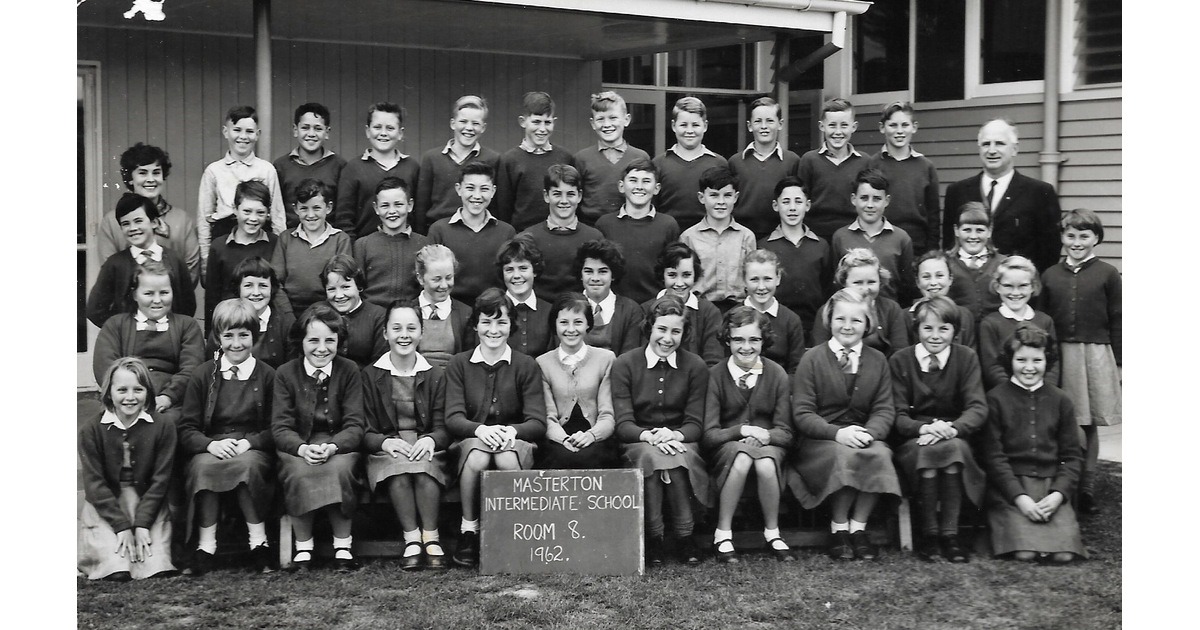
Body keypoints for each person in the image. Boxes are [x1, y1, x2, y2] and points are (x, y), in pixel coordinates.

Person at [787, 289, 901, 561]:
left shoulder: (878, 360)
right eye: (840, 319)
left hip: (864, 436)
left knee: (880, 453)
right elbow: (803, 413)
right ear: (829, 320)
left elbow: (884, 408)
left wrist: (868, 434)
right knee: (844, 453)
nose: (847, 327)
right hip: (820, 441)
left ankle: (858, 528)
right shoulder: (812, 358)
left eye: (856, 320)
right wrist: (838, 433)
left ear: (868, 324)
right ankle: (838, 528)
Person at [444, 288, 547, 567]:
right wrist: (480, 430)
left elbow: (537, 421)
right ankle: (469, 529)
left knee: (503, 457)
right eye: (487, 322)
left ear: (511, 326)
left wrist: (511, 432)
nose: (494, 330)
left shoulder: (525, 365)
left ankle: (515, 531)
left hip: (514, 441)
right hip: (471, 440)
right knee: (478, 456)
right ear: (475, 325)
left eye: (501, 322)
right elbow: (453, 417)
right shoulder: (459, 364)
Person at [177, 299, 276, 575]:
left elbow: (276, 427)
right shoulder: (203, 374)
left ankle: (259, 544)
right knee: (205, 467)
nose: (236, 343)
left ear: (254, 337)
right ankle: (205, 547)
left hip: (252, 448)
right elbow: (187, 429)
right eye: (228, 335)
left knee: (245, 466)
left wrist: (249, 443)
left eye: (243, 335)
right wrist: (210, 444)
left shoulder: (268, 375)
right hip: (213, 447)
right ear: (218, 338)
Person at [612, 295, 710, 566]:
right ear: (649, 329)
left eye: (675, 331)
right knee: (652, 457)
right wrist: (650, 436)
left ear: (684, 333)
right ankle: (653, 538)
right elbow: (623, 424)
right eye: (661, 329)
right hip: (638, 440)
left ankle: (684, 537)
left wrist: (675, 435)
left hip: (680, 441)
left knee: (676, 457)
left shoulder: (695, 366)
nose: (667, 338)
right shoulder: (625, 364)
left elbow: (695, 425)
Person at [889, 296, 988, 563]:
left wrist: (953, 429)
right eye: (927, 328)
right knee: (929, 460)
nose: (935, 336)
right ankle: (930, 535)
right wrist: (924, 429)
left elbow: (977, 408)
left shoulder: (966, 358)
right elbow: (896, 415)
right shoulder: (900, 361)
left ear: (955, 331)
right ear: (916, 329)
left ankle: (950, 535)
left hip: (954, 435)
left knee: (953, 452)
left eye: (943, 329)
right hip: (915, 438)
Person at [981, 323, 1086, 563]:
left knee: (1063, 556)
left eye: (1037, 360)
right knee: (1025, 553)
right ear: (1010, 360)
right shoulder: (995, 399)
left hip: (1050, 485)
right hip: (1011, 487)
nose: (1029, 368)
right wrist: (1020, 498)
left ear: (1047, 361)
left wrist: (1058, 494)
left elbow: (1071, 457)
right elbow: (993, 457)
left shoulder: (1061, 400)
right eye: (1021, 360)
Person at [1039, 209, 1121, 515]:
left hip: (1094, 355)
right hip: (1060, 355)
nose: (1076, 242)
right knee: (1063, 421)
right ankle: (1061, 482)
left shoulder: (1108, 274)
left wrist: (1120, 358)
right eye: (1070, 235)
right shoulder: (1049, 275)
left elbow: (1117, 317)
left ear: (1096, 238)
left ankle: (1086, 487)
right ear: (1062, 238)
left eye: (1084, 236)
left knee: (1087, 424)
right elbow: (1042, 321)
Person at [272, 303, 366, 571]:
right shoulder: (285, 373)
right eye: (313, 340)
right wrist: (301, 449)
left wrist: (334, 446)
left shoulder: (349, 371)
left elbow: (355, 425)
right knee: (298, 470)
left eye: (330, 340)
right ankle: (304, 547)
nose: (321, 348)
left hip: (339, 444)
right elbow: (280, 428)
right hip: (298, 445)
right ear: (300, 341)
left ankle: (342, 546)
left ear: (339, 342)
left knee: (340, 469)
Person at [362, 300, 451, 571]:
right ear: (385, 333)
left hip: (426, 444)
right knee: (399, 471)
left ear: (422, 333)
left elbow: (444, 425)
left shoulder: (435, 375)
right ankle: (412, 538)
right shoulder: (370, 375)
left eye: (411, 328)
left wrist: (431, 439)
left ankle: (431, 538)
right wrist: (385, 442)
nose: (404, 335)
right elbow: (364, 428)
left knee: (425, 469)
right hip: (387, 447)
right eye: (397, 328)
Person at [702, 307, 794, 563]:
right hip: (728, 447)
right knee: (742, 457)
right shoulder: (715, 376)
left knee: (764, 462)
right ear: (727, 340)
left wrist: (764, 436)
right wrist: (741, 430)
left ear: (764, 341)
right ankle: (723, 534)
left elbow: (785, 433)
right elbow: (709, 435)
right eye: (738, 339)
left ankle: (773, 533)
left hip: (768, 445)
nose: (746, 347)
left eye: (754, 339)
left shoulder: (776, 374)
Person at [78, 357, 177, 581]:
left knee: (155, 565)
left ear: (148, 392)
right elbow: (95, 485)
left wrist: (142, 524)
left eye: (138, 389)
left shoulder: (163, 426)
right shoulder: (91, 429)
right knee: (116, 568)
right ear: (109, 391)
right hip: (107, 505)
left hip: (146, 503)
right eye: (122, 389)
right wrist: (122, 526)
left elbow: (160, 480)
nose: (130, 397)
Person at [941, 119, 1063, 272]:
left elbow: (1050, 251)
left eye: (999, 143)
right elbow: (949, 244)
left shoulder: (1040, 193)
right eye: (986, 144)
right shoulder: (957, 191)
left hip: (1018, 290)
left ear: (1015, 149)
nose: (992, 150)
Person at [93, 261, 205, 425]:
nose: (157, 300)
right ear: (135, 294)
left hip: (172, 403)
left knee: (168, 424)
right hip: (125, 400)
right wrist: (130, 397)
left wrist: (168, 397)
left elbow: (192, 368)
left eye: (164, 292)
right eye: (149, 293)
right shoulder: (116, 325)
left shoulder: (187, 326)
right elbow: (105, 366)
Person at [196, 105, 286, 275]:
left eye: (250, 131)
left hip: (258, 239)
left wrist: (280, 254)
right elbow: (204, 218)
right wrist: (206, 257)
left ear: (258, 134)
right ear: (225, 131)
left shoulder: (266, 170)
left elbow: (277, 215)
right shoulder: (214, 171)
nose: (243, 137)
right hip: (225, 239)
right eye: (237, 130)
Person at [535, 293, 619, 469]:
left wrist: (591, 436)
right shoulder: (542, 363)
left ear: (588, 324)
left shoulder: (606, 359)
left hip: (597, 439)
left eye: (578, 322)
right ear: (554, 324)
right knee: (560, 459)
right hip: (558, 440)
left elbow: (607, 414)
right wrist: (563, 438)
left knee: (593, 458)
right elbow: (547, 417)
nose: (571, 329)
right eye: (564, 322)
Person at [87, 193, 197, 327]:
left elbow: (188, 305)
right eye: (125, 224)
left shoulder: (175, 259)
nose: (133, 228)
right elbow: (94, 310)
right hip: (129, 344)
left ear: (154, 222)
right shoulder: (115, 264)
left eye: (138, 221)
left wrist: (176, 331)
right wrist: (120, 331)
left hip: (169, 341)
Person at [97, 143, 200, 285]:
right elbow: (109, 271)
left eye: (156, 172)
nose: (151, 179)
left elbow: (191, 269)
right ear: (130, 178)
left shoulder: (182, 220)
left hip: (170, 303)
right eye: (142, 173)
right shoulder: (111, 221)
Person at [427, 160, 517, 305]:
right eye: (470, 188)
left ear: (493, 191)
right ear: (458, 189)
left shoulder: (506, 232)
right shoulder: (439, 230)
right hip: (451, 309)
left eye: (484, 189)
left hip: (493, 309)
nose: (477, 196)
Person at [595, 159, 682, 304]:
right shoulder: (604, 224)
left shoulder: (668, 225)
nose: (639, 187)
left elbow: (672, 269)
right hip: (615, 306)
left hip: (656, 304)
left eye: (646, 181)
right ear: (621, 186)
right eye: (633, 180)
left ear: (657, 188)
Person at [758, 176, 834, 340]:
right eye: (786, 202)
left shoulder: (821, 246)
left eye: (798, 202)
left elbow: (828, 289)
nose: (792, 208)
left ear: (807, 205)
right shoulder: (764, 246)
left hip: (814, 327)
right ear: (775, 206)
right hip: (774, 327)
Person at [415, 95, 502, 233]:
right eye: (463, 121)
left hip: (477, 231)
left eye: (475, 123)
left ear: (483, 127)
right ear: (453, 123)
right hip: (438, 232)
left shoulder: (493, 159)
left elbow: (497, 206)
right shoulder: (431, 158)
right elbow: (421, 207)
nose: (469, 128)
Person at [334, 102, 420, 239]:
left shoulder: (412, 167)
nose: (383, 133)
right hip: (364, 251)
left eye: (390, 128)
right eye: (377, 127)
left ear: (400, 133)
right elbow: (344, 219)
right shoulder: (352, 169)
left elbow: (419, 215)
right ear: (368, 131)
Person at [495, 91, 577, 231]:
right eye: (536, 122)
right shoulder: (509, 160)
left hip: (560, 232)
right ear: (523, 122)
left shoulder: (565, 157)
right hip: (523, 237)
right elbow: (503, 208)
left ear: (554, 122)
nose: (542, 129)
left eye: (547, 122)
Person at [831, 168, 916, 304]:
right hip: (850, 314)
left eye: (877, 199)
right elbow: (836, 284)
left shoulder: (901, 238)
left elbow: (906, 287)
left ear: (886, 201)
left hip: (888, 316)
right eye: (864, 198)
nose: (870, 205)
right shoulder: (840, 237)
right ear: (854, 199)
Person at [865, 101, 940, 255]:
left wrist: (931, 250)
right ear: (882, 127)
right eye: (893, 125)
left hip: (917, 246)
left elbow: (933, 214)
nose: (899, 131)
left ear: (914, 127)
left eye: (905, 125)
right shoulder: (872, 164)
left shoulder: (926, 167)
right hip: (880, 244)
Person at [520, 164, 602, 302]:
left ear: (580, 196)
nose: (564, 201)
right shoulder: (528, 238)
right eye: (557, 194)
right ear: (546, 196)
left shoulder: (594, 237)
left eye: (570, 194)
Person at [271, 178, 353, 317]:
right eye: (304, 208)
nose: (310, 215)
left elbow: (342, 283)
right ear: (295, 209)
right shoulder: (286, 238)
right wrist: (287, 314)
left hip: (329, 312)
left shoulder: (340, 239)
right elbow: (275, 282)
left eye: (316, 208)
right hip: (290, 312)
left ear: (328, 208)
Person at [680, 166, 756, 311]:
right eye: (714, 195)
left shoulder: (746, 236)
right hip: (700, 308)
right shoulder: (688, 237)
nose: (721, 202)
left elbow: (752, 277)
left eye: (727, 195)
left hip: (738, 309)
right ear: (701, 198)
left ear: (736, 197)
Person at [978, 256, 1059, 390]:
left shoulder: (1045, 321)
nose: (1015, 293)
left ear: (1033, 286)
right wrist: (1015, 393)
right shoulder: (990, 323)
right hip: (1006, 395)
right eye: (1008, 286)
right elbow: (992, 367)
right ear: (997, 287)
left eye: (1023, 286)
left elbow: (1053, 363)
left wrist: (1043, 390)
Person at [811, 248, 909, 358]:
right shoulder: (829, 309)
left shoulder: (891, 309)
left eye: (871, 282)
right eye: (858, 283)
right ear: (844, 282)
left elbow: (899, 352)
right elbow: (819, 352)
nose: (865, 289)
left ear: (880, 281)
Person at [203, 180, 277, 324]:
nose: (253, 218)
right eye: (247, 211)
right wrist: (211, 334)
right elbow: (212, 296)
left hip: (267, 325)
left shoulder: (275, 243)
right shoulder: (219, 246)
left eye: (260, 212)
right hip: (230, 323)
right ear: (235, 209)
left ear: (268, 213)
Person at [727, 96, 801, 239]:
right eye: (758, 121)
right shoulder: (735, 162)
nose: (764, 126)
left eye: (770, 121)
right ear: (749, 126)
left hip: (781, 234)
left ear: (780, 124)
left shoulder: (792, 160)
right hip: (742, 234)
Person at [574, 91, 651, 226]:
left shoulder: (640, 157)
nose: (607, 124)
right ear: (592, 123)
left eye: (613, 118)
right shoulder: (582, 158)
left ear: (626, 120)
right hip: (592, 227)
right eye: (600, 119)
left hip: (629, 225)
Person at [652, 96, 728, 232]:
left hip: (708, 234)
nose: (689, 131)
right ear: (673, 126)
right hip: (669, 234)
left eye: (695, 125)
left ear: (705, 126)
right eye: (683, 125)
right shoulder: (659, 163)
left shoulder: (719, 163)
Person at [643, 242, 724, 367]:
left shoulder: (709, 312)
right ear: (662, 276)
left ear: (695, 275)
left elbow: (713, 361)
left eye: (686, 275)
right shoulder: (645, 309)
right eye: (672, 275)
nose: (679, 283)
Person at [798, 98, 868, 243]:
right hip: (816, 236)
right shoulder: (809, 160)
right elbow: (801, 201)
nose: (838, 132)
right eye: (832, 125)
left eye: (844, 125)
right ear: (821, 126)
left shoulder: (865, 161)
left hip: (854, 235)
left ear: (854, 127)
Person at [352, 177, 428, 307]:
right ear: (376, 208)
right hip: (373, 316)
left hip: (411, 315)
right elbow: (358, 289)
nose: (392, 211)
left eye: (398, 204)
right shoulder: (363, 245)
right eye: (385, 205)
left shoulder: (424, 244)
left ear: (410, 205)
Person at [272, 102, 347, 228]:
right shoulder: (281, 166)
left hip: (328, 241)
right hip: (291, 240)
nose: (311, 134)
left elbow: (343, 212)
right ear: (295, 130)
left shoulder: (339, 166)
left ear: (327, 132)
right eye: (305, 128)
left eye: (318, 128)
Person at [741, 249, 806, 375]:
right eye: (754, 279)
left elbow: (796, 368)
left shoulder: (790, 320)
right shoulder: (732, 317)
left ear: (778, 278)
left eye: (767, 279)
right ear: (744, 281)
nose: (761, 287)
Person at [574, 239, 644, 355]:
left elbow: (629, 357)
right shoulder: (568, 307)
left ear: (613, 275)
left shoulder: (631, 310)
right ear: (581, 275)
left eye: (602, 272)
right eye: (588, 271)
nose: (595, 278)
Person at [225, 256, 295, 369]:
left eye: (263, 286)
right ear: (238, 288)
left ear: (272, 288)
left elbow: (292, 369)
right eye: (248, 286)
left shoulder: (286, 324)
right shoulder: (226, 321)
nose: (256, 292)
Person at [413, 244, 472, 369]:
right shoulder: (406, 312)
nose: (444, 285)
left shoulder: (466, 314)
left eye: (449, 278)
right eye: (437, 279)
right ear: (420, 278)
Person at [322, 254, 386, 369]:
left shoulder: (378, 317)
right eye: (331, 289)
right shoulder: (317, 313)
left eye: (346, 287)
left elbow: (379, 364)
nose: (339, 295)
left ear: (359, 286)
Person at [945, 202, 1002, 325]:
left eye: (980, 230)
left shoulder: (1002, 263)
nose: (973, 236)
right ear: (956, 230)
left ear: (989, 231)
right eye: (967, 230)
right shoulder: (945, 263)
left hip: (994, 332)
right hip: (961, 331)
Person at [496, 234, 553, 357]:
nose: (516, 275)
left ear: (535, 271)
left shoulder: (550, 312)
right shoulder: (491, 311)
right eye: (509, 269)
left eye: (523, 268)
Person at [907, 250, 977, 348]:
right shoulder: (906, 316)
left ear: (950, 279)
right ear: (918, 282)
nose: (933, 282)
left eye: (939, 276)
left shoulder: (964, 315)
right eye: (926, 277)